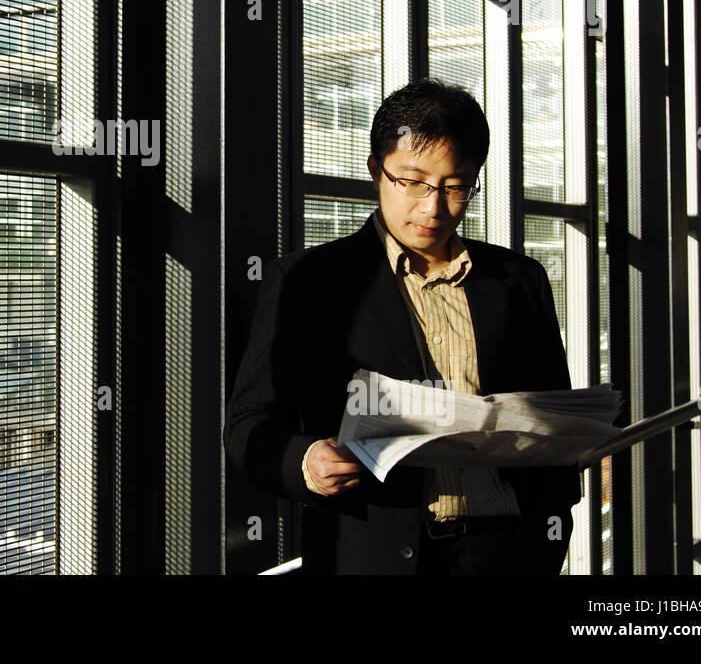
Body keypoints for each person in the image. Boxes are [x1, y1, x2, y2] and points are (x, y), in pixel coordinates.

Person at [224, 78, 580, 574]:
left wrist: (546, 542)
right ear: (376, 171)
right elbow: (247, 427)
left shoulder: (519, 281)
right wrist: (306, 462)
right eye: (411, 181)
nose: (432, 207)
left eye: (455, 187)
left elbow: (553, 423)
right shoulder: (306, 283)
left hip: (505, 552)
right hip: (373, 552)